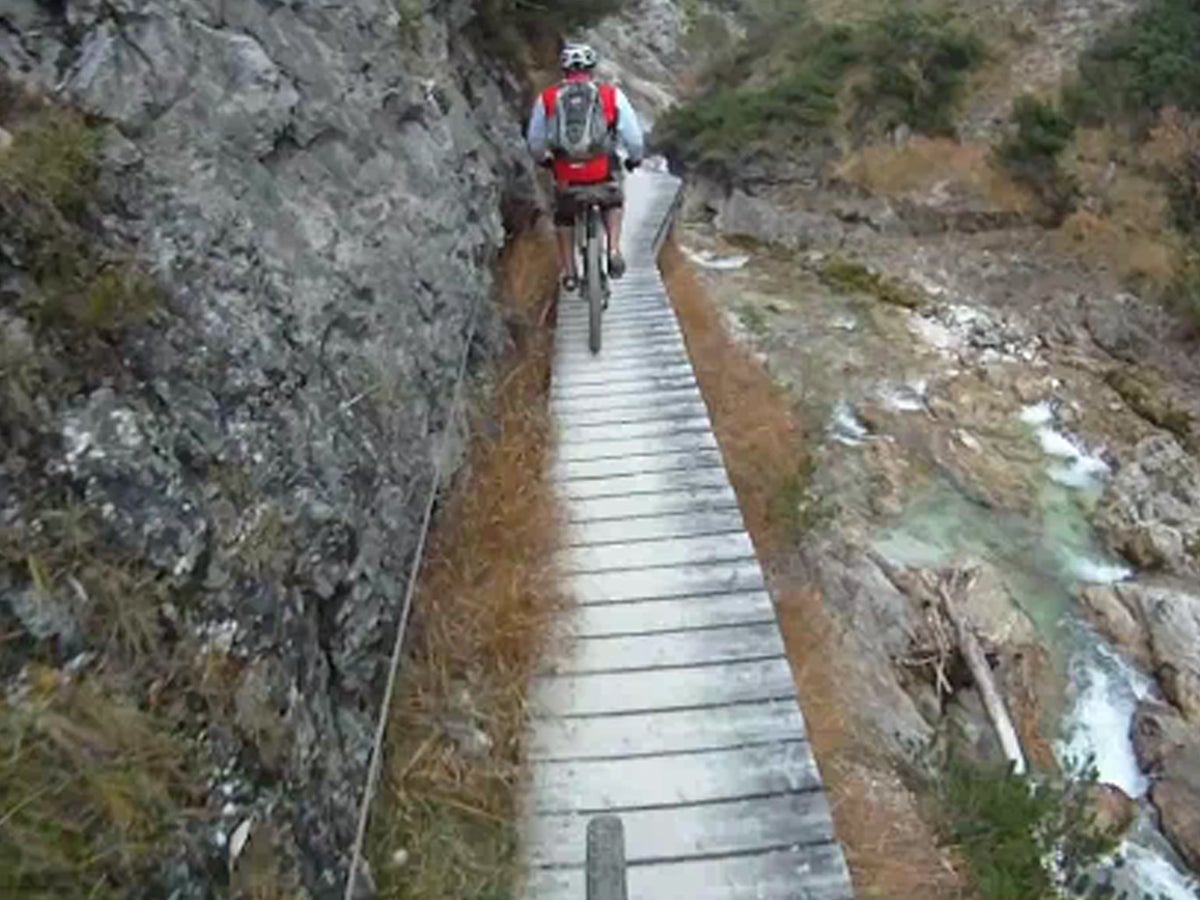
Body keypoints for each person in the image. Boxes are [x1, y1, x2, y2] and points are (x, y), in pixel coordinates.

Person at [526, 42, 645, 292]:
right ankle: (613, 249)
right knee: (613, 201)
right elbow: (633, 137)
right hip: (601, 170)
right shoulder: (611, 95)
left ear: (563, 69)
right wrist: (634, 158)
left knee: (564, 216)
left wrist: (543, 160)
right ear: (592, 68)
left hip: (566, 175)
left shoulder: (547, 98)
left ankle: (569, 271)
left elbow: (535, 141)